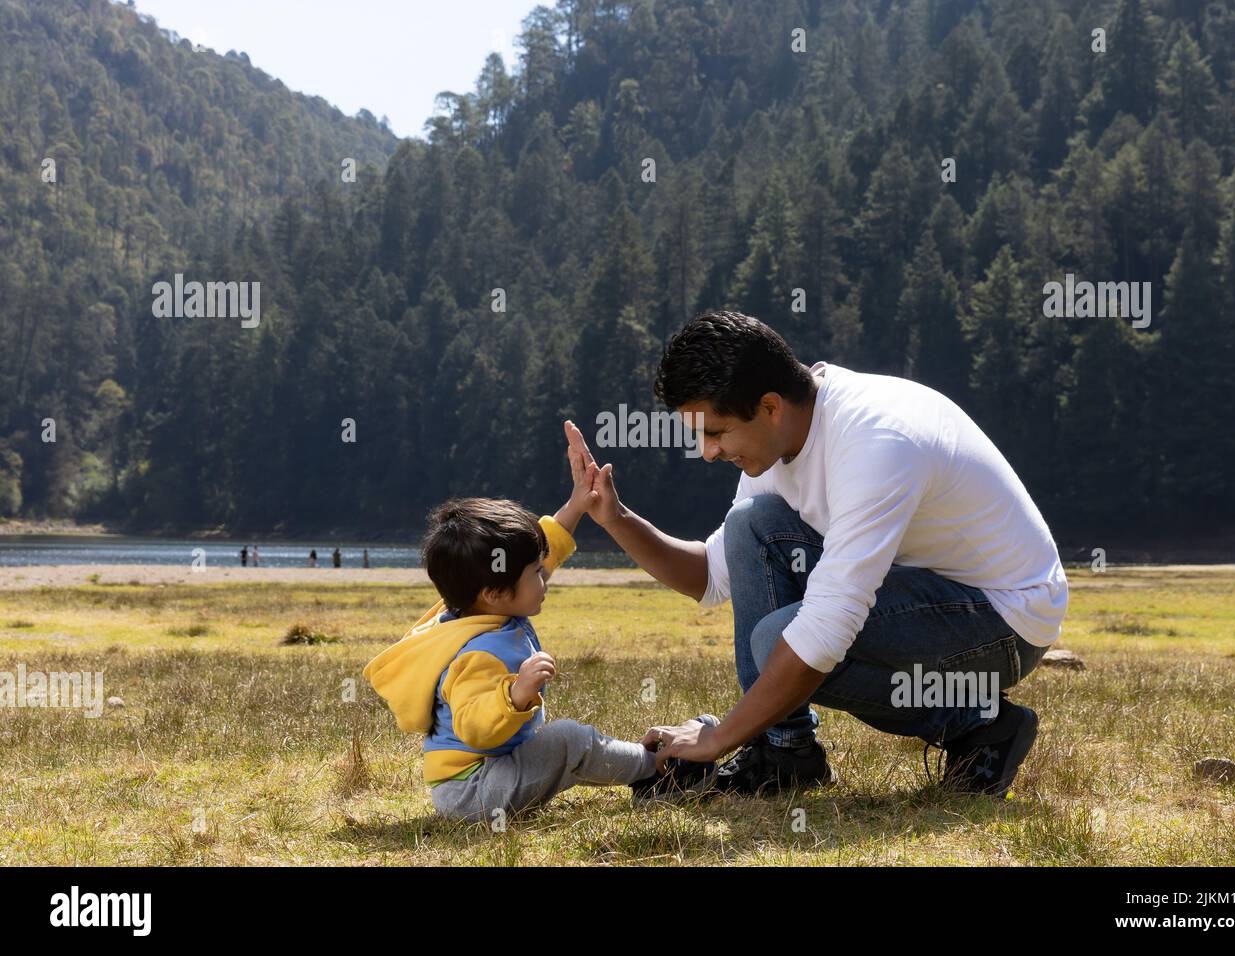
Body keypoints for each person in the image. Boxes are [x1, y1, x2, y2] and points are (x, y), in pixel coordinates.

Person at [566, 311, 1068, 799]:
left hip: (1006, 620)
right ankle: (786, 756)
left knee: (778, 638)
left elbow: (829, 627)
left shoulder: (876, 439)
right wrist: (617, 520)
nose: (708, 452)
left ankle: (979, 723)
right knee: (749, 526)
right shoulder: (779, 443)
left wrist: (718, 738)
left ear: (770, 407)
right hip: (924, 593)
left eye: (715, 432)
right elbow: (716, 576)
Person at [363, 483, 717, 821]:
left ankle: (642, 765)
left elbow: (548, 550)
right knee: (568, 740)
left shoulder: (487, 602)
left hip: (491, 773)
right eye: (536, 573)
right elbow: (473, 728)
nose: (545, 577)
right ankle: (656, 771)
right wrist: (514, 695)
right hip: (473, 792)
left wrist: (577, 505)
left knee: (567, 748)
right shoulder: (478, 653)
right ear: (495, 592)